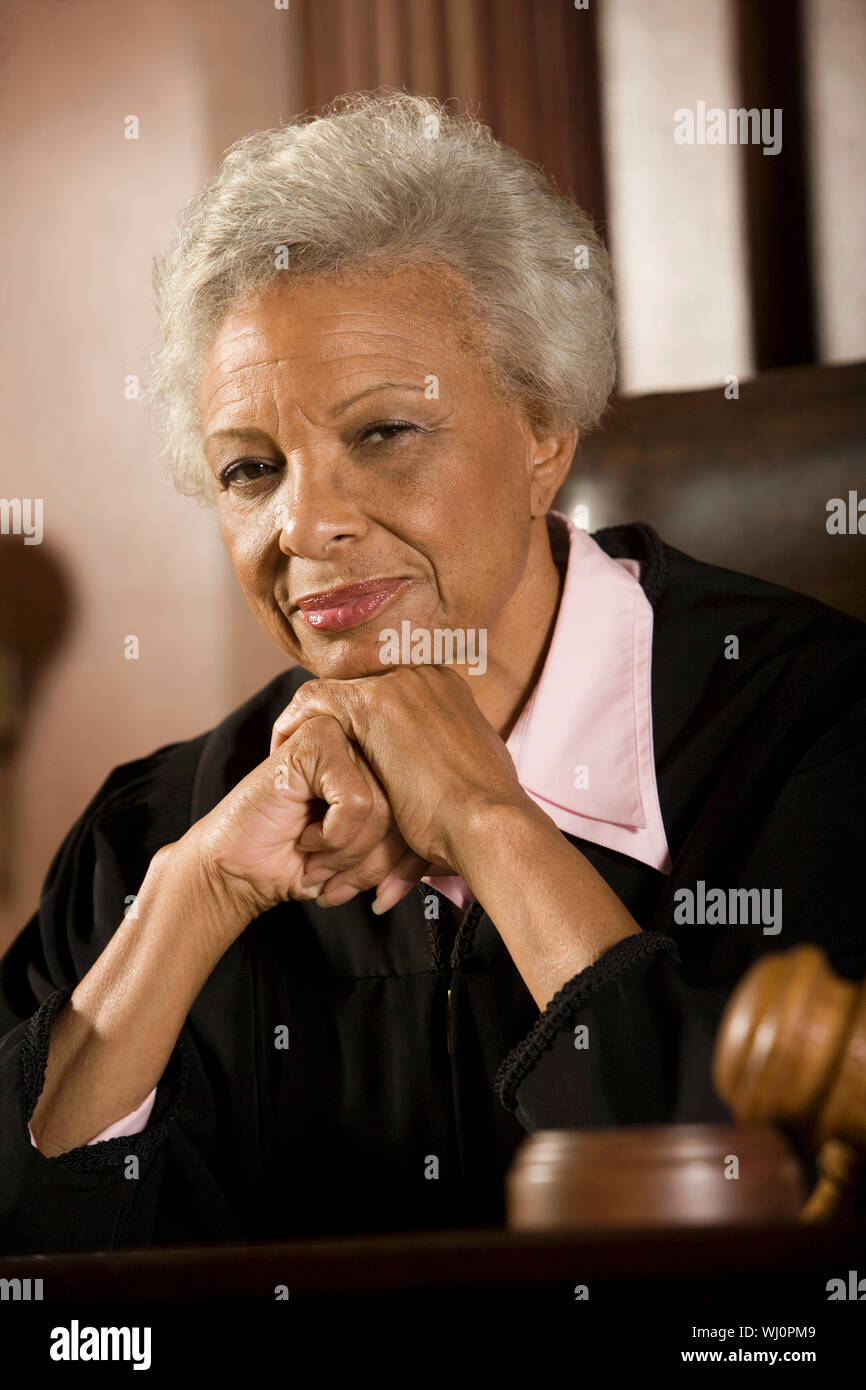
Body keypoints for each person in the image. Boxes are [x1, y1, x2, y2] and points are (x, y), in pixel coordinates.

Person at [1, 92, 863, 1256]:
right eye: (251, 468)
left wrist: (485, 817)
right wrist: (194, 896)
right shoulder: (148, 831)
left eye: (382, 434)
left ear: (542, 433)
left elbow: (752, 1277)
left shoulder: (819, 732)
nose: (306, 524)